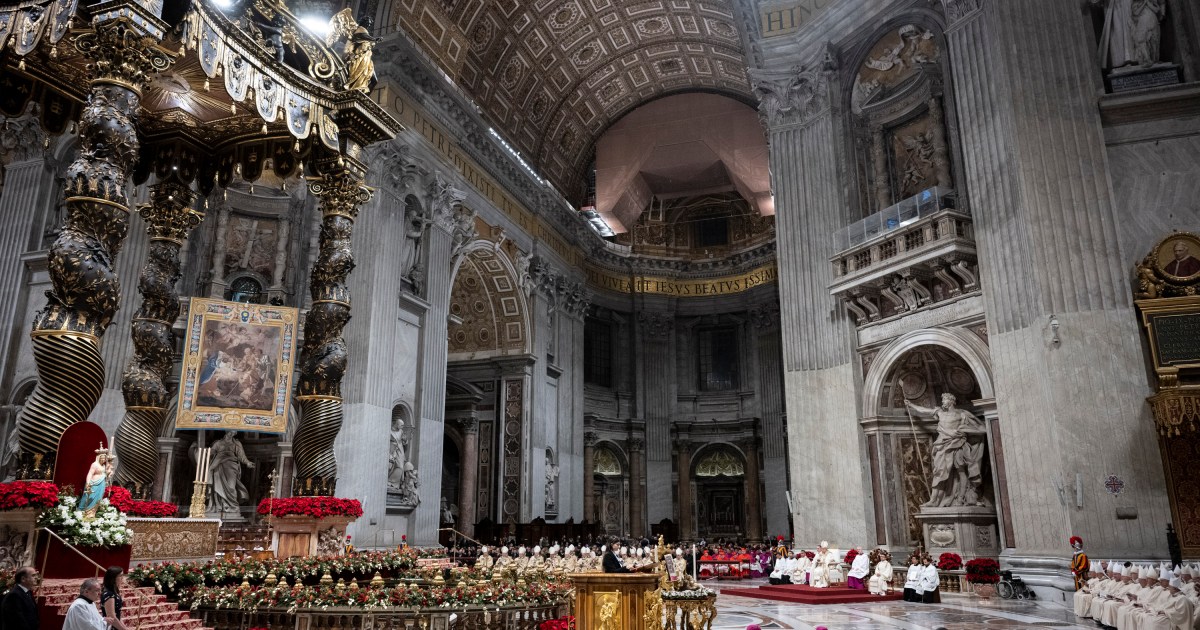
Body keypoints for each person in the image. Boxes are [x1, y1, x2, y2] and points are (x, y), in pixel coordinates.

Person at [905, 394, 988, 507]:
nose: (943, 402)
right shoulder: (940, 412)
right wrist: (911, 405)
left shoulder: (962, 414)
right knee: (939, 472)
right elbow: (924, 410)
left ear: (952, 401)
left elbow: (982, 429)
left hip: (958, 444)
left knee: (961, 472)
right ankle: (933, 500)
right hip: (942, 445)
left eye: (945, 400)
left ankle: (960, 499)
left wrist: (964, 430)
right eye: (943, 400)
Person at [209, 431, 254, 513]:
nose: (231, 434)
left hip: (231, 466)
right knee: (218, 487)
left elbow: (241, 456)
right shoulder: (218, 443)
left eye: (233, 432)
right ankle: (219, 506)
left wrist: (247, 462)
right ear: (226, 431)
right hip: (218, 466)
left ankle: (232, 507)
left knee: (231, 487)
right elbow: (210, 454)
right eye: (230, 431)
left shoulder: (237, 443)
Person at [78, 447, 113, 517]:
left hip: (101, 484)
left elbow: (105, 474)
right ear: (98, 457)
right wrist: (88, 483)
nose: (103, 460)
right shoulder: (94, 464)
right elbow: (90, 473)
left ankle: (92, 513)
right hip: (94, 483)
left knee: (98, 498)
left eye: (104, 458)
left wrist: (109, 472)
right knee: (91, 497)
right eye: (102, 458)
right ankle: (84, 511)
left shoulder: (103, 465)